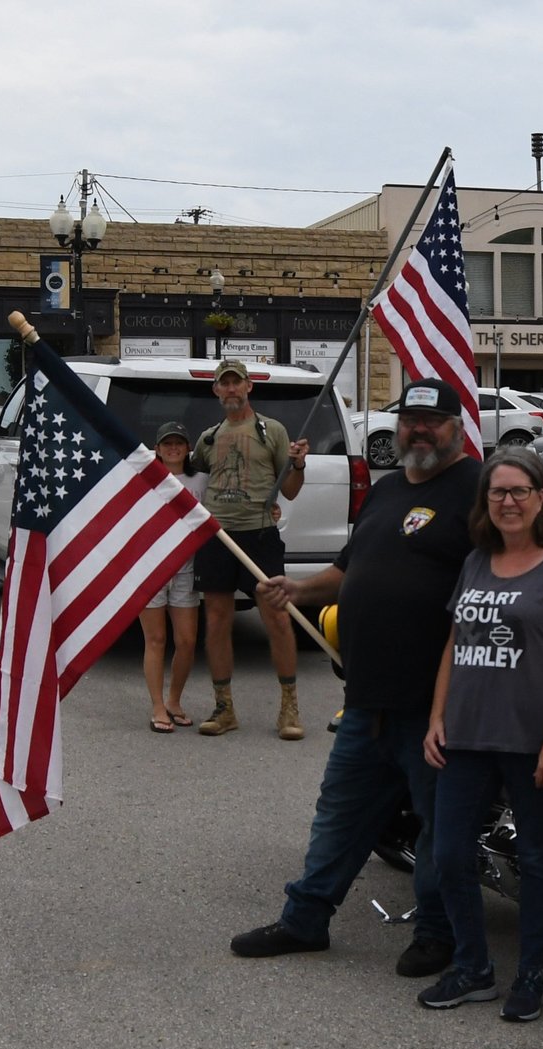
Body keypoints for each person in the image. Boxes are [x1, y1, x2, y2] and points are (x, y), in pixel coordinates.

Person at [229, 378, 479, 980]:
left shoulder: (478, 492)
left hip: (433, 703)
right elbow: (350, 569)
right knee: (339, 814)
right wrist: (297, 588)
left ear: (457, 428)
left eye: (433, 422)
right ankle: (304, 920)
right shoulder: (388, 490)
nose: (419, 431)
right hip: (367, 697)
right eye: (411, 421)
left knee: (439, 827)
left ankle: (437, 935)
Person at [418, 449, 543, 1022]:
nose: (509, 502)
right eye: (498, 492)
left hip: (530, 742)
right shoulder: (476, 562)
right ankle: (473, 969)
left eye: (520, 491)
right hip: (466, 737)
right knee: (448, 855)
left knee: (538, 863)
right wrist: (438, 716)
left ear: (542, 498)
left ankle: (532, 976)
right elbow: (451, 642)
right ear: (485, 502)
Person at [188, 356, 310, 741]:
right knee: (217, 621)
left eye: (236, 382)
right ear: (216, 390)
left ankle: (289, 707)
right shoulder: (207, 438)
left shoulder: (270, 431)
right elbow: (189, 482)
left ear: (248, 386)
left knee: (276, 619)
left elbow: (288, 490)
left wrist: (298, 466)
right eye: (223, 384)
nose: (230, 389)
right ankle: (224, 708)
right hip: (218, 538)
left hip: (259, 536)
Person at [140, 421, 207, 732]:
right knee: (156, 639)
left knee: (187, 640)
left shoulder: (200, 481)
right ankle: (157, 706)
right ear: (157, 449)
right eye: (167, 443)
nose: (173, 448)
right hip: (150, 569)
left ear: (188, 447)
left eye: (179, 443)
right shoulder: (143, 481)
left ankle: (174, 700)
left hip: (186, 568)